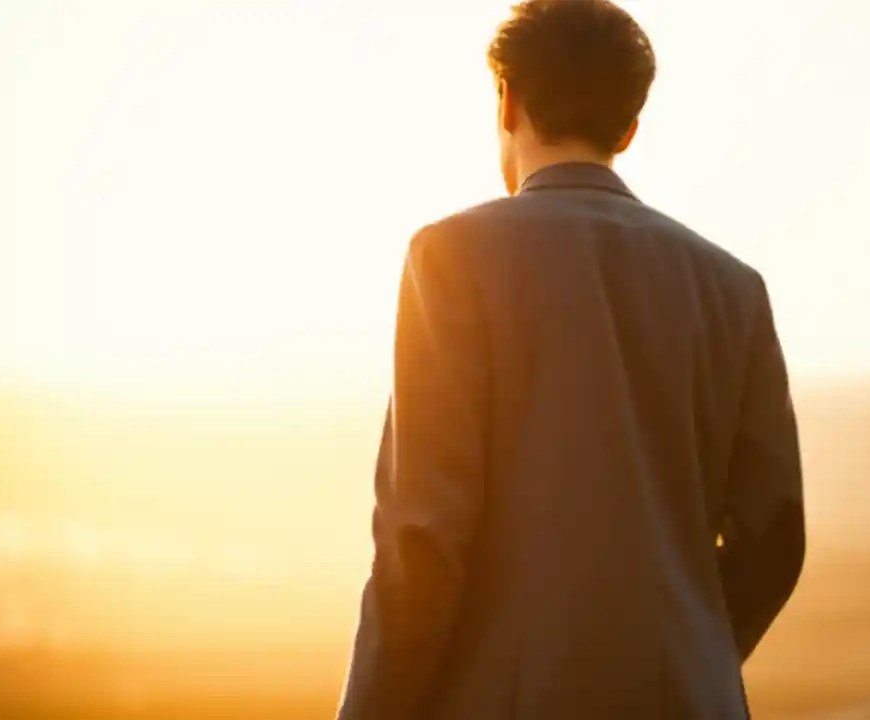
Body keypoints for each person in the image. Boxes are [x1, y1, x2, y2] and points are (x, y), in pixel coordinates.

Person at [337, 1, 804, 717]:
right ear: (628, 127)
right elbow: (774, 536)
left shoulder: (451, 258)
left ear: (507, 101)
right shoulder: (733, 288)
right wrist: (688, 653)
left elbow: (423, 539)